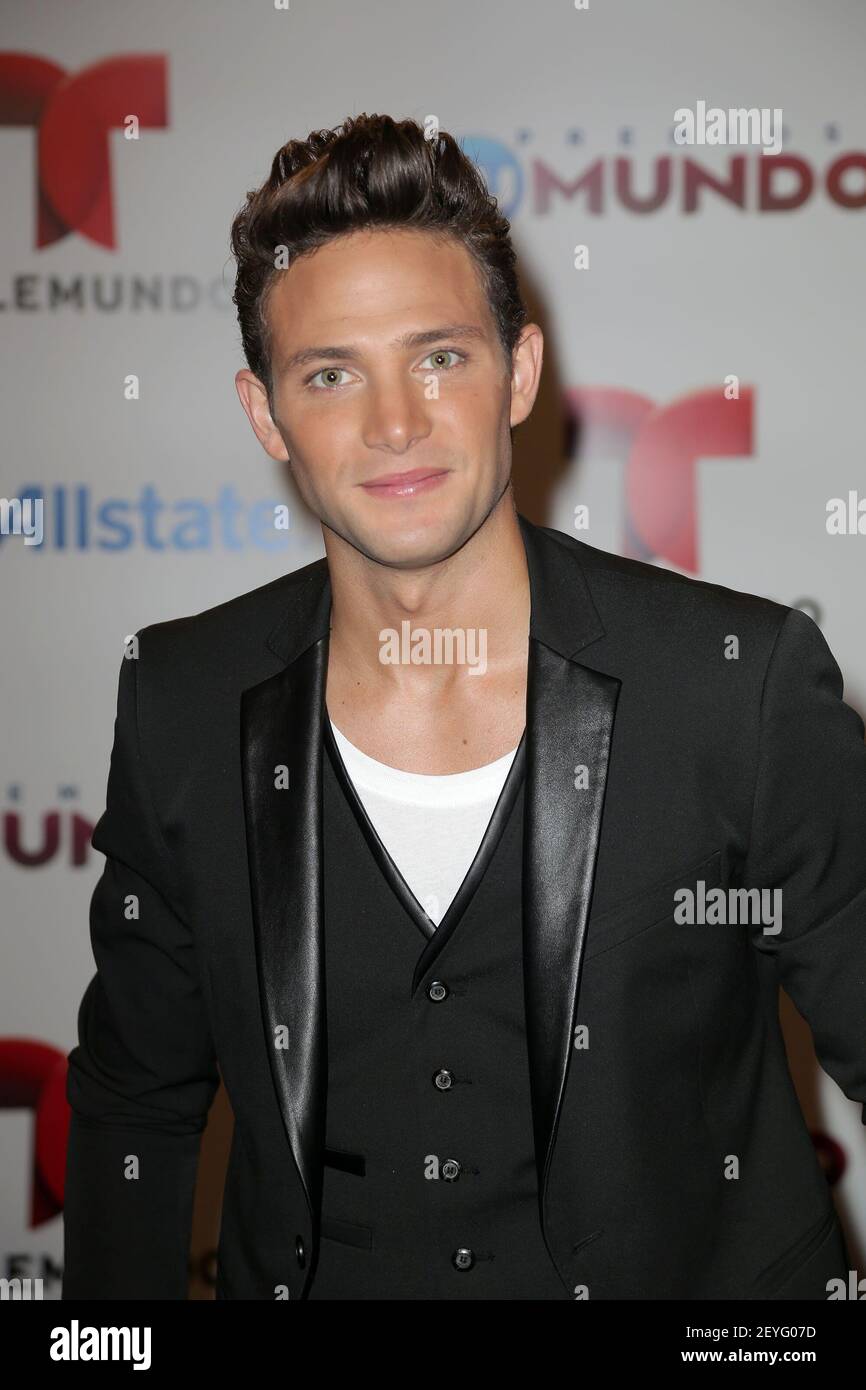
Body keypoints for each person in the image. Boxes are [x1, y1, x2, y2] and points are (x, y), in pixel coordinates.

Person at [62, 114, 866, 1301]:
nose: (394, 424)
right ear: (264, 412)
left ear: (520, 373)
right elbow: (136, 1100)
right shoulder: (184, 695)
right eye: (330, 373)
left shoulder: (733, 682)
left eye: (437, 356)